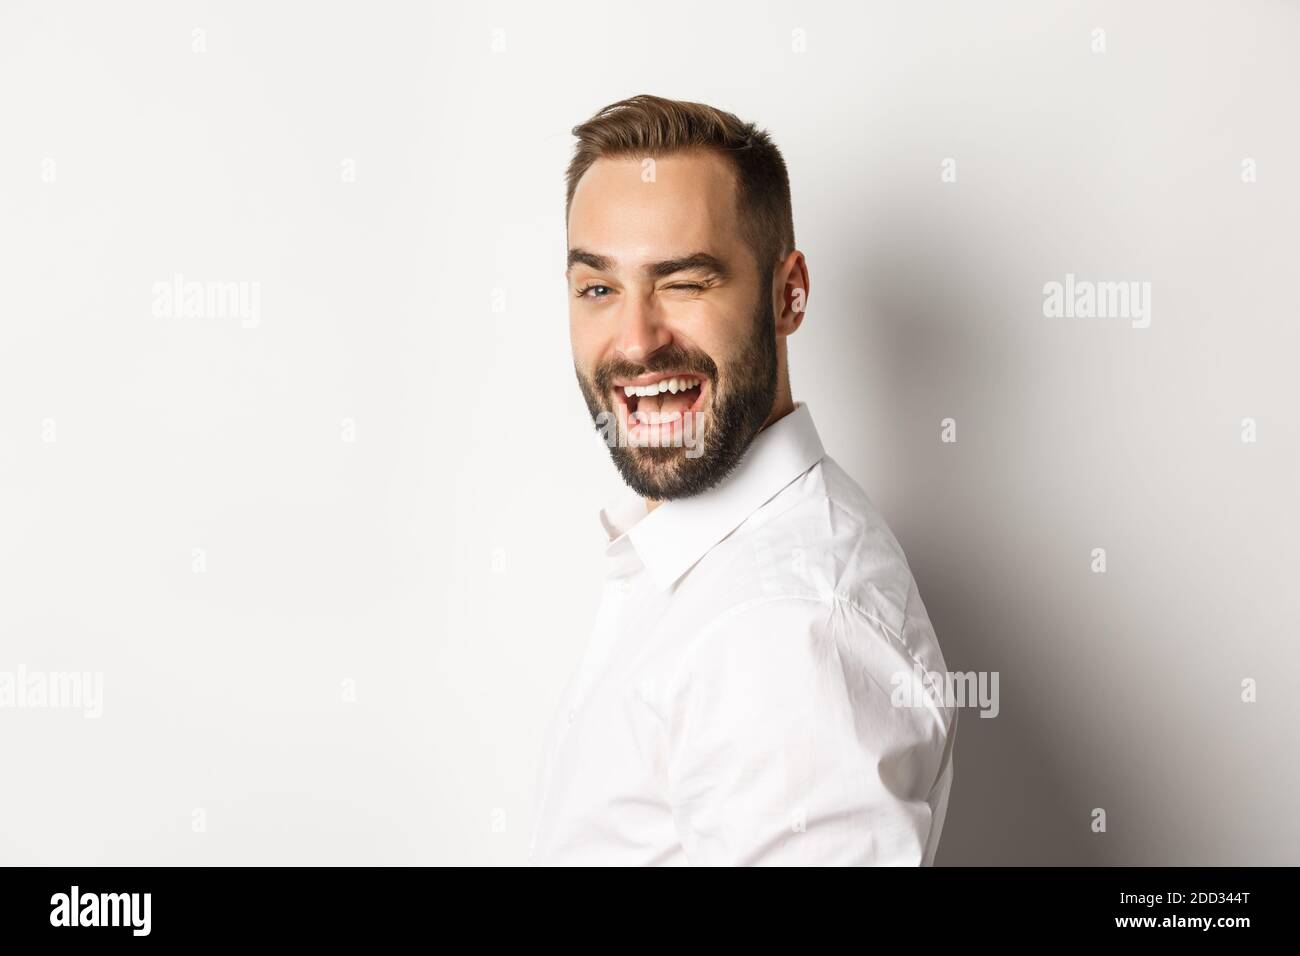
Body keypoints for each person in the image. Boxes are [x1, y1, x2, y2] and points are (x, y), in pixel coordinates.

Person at [530, 94, 957, 865]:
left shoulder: (784, 627)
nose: (635, 341)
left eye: (685, 283)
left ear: (787, 292)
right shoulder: (707, 575)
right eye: (599, 288)